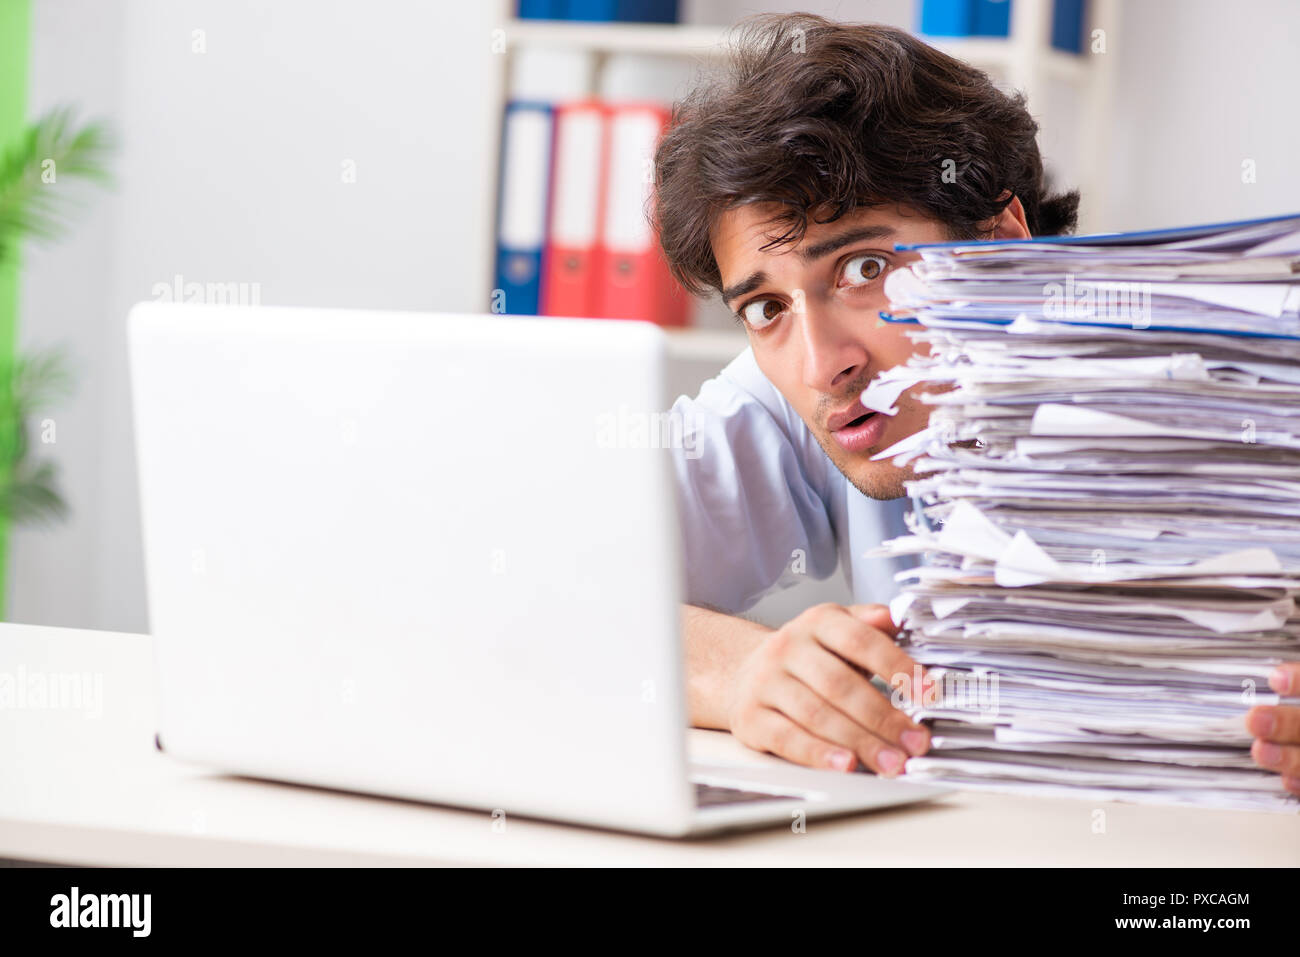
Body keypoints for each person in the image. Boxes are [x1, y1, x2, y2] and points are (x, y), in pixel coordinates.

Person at [652, 13, 1300, 796]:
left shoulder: (1234, 388)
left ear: (998, 243)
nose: (824, 366)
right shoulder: (806, 384)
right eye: (765, 308)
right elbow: (530, 569)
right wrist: (740, 670)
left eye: (864, 268)